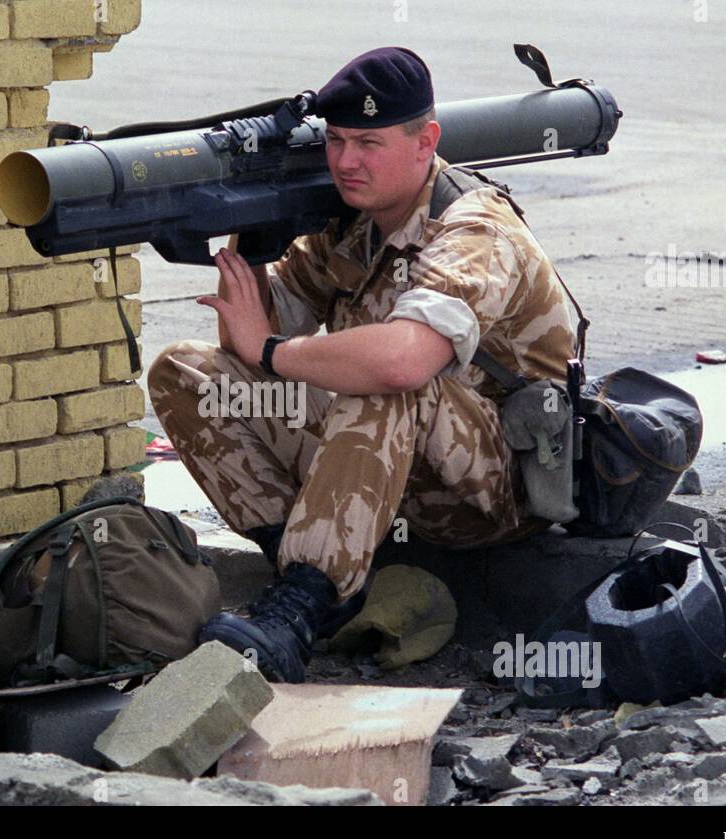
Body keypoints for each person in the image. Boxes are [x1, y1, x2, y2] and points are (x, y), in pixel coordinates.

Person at [146, 46, 580, 683]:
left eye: (369, 143)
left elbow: (399, 362)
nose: (347, 162)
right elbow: (246, 340)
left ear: (424, 141)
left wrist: (273, 350)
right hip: (382, 472)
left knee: (385, 380)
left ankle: (299, 606)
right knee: (186, 373)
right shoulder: (350, 224)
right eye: (338, 140)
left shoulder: (474, 229)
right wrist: (252, 223)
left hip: (492, 488)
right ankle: (313, 582)